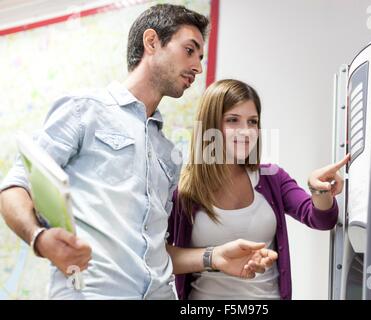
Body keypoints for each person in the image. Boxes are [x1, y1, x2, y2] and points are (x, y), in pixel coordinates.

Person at [0, 5, 276, 300]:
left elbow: (156, 252)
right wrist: (39, 237)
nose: (197, 66)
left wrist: (213, 256)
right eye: (189, 50)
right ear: (152, 42)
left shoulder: (168, 152)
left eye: (200, 57)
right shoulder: (84, 111)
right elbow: (15, 187)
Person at [168, 79, 349, 300]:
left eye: (252, 122)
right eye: (233, 120)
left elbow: (320, 219)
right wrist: (212, 257)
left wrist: (319, 189)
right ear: (210, 126)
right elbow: (159, 257)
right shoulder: (184, 191)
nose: (246, 131)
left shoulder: (272, 178)